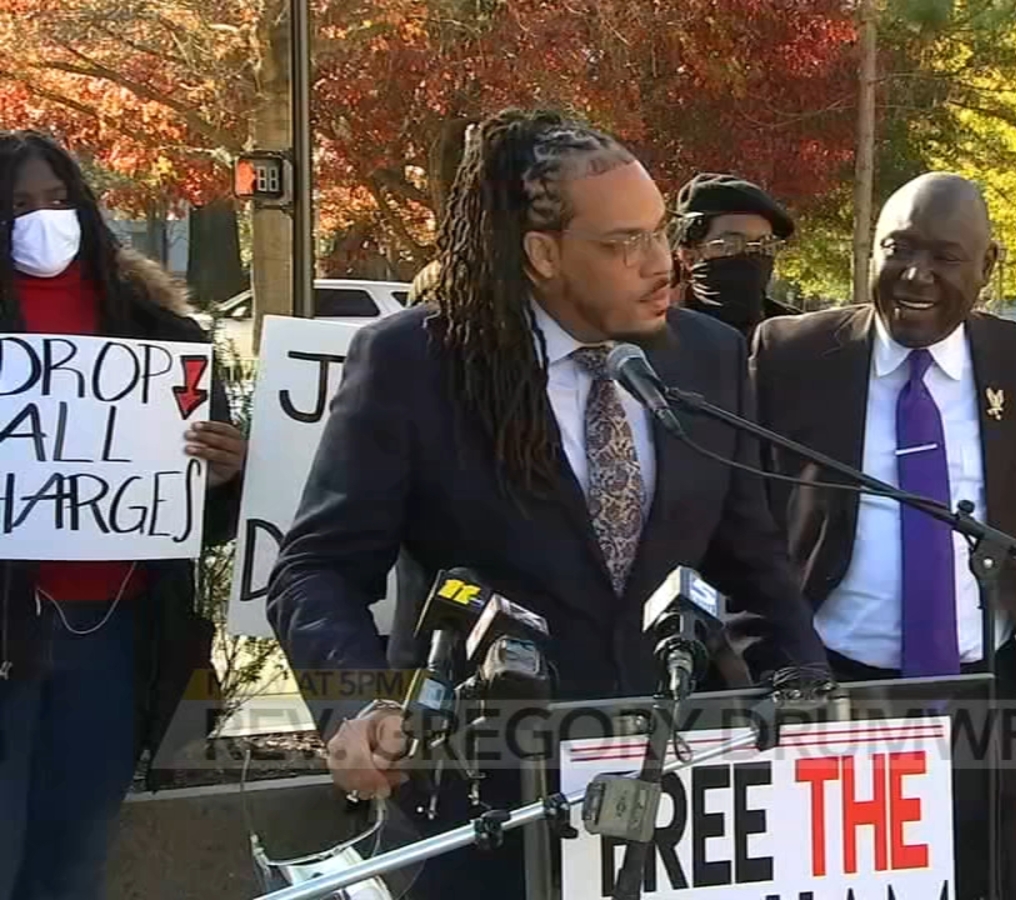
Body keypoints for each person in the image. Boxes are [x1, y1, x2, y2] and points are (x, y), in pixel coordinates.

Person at [266, 109, 829, 897]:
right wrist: (355, 706)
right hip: (480, 806)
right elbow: (317, 568)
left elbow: (752, 561)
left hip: (663, 803)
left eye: (660, 231)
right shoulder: (415, 362)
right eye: (621, 243)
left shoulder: (708, 356)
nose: (661, 263)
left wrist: (808, 700)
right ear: (541, 253)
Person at [749, 171, 1016, 900]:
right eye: (898, 248)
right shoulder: (792, 354)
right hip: (838, 684)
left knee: (995, 880)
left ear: (989, 266)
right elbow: (749, 519)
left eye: (946, 256)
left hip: (991, 685)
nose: (916, 274)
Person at [0, 130, 246, 900]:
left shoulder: (162, 333)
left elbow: (203, 522)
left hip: (114, 635)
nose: (43, 219)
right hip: (10, 634)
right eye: (17, 207)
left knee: (73, 859)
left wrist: (227, 470)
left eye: (57, 200)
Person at [671, 172, 797, 338]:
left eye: (764, 245)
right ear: (689, 256)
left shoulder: (798, 336)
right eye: (731, 245)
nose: (751, 255)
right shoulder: (659, 338)